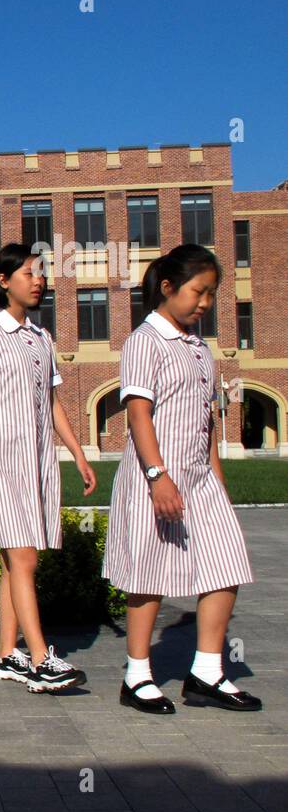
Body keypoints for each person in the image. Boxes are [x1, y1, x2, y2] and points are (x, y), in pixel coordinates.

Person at [105, 247, 260, 713]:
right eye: (199, 291)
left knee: (226, 563)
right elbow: (138, 414)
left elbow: (208, 422)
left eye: (211, 294)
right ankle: (137, 677)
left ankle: (206, 673)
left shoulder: (199, 347)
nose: (205, 303)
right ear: (169, 287)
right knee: (148, 575)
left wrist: (219, 483)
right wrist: (157, 476)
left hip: (200, 478)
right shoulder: (144, 341)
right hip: (155, 476)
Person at [0, 243, 96, 692]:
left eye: (41, 273)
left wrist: (78, 454)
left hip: (39, 461)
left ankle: (6, 654)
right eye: (28, 273)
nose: (39, 280)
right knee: (22, 556)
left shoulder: (42, 338)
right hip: (2, 463)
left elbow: (53, 404)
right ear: (4, 282)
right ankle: (41, 658)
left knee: (16, 562)